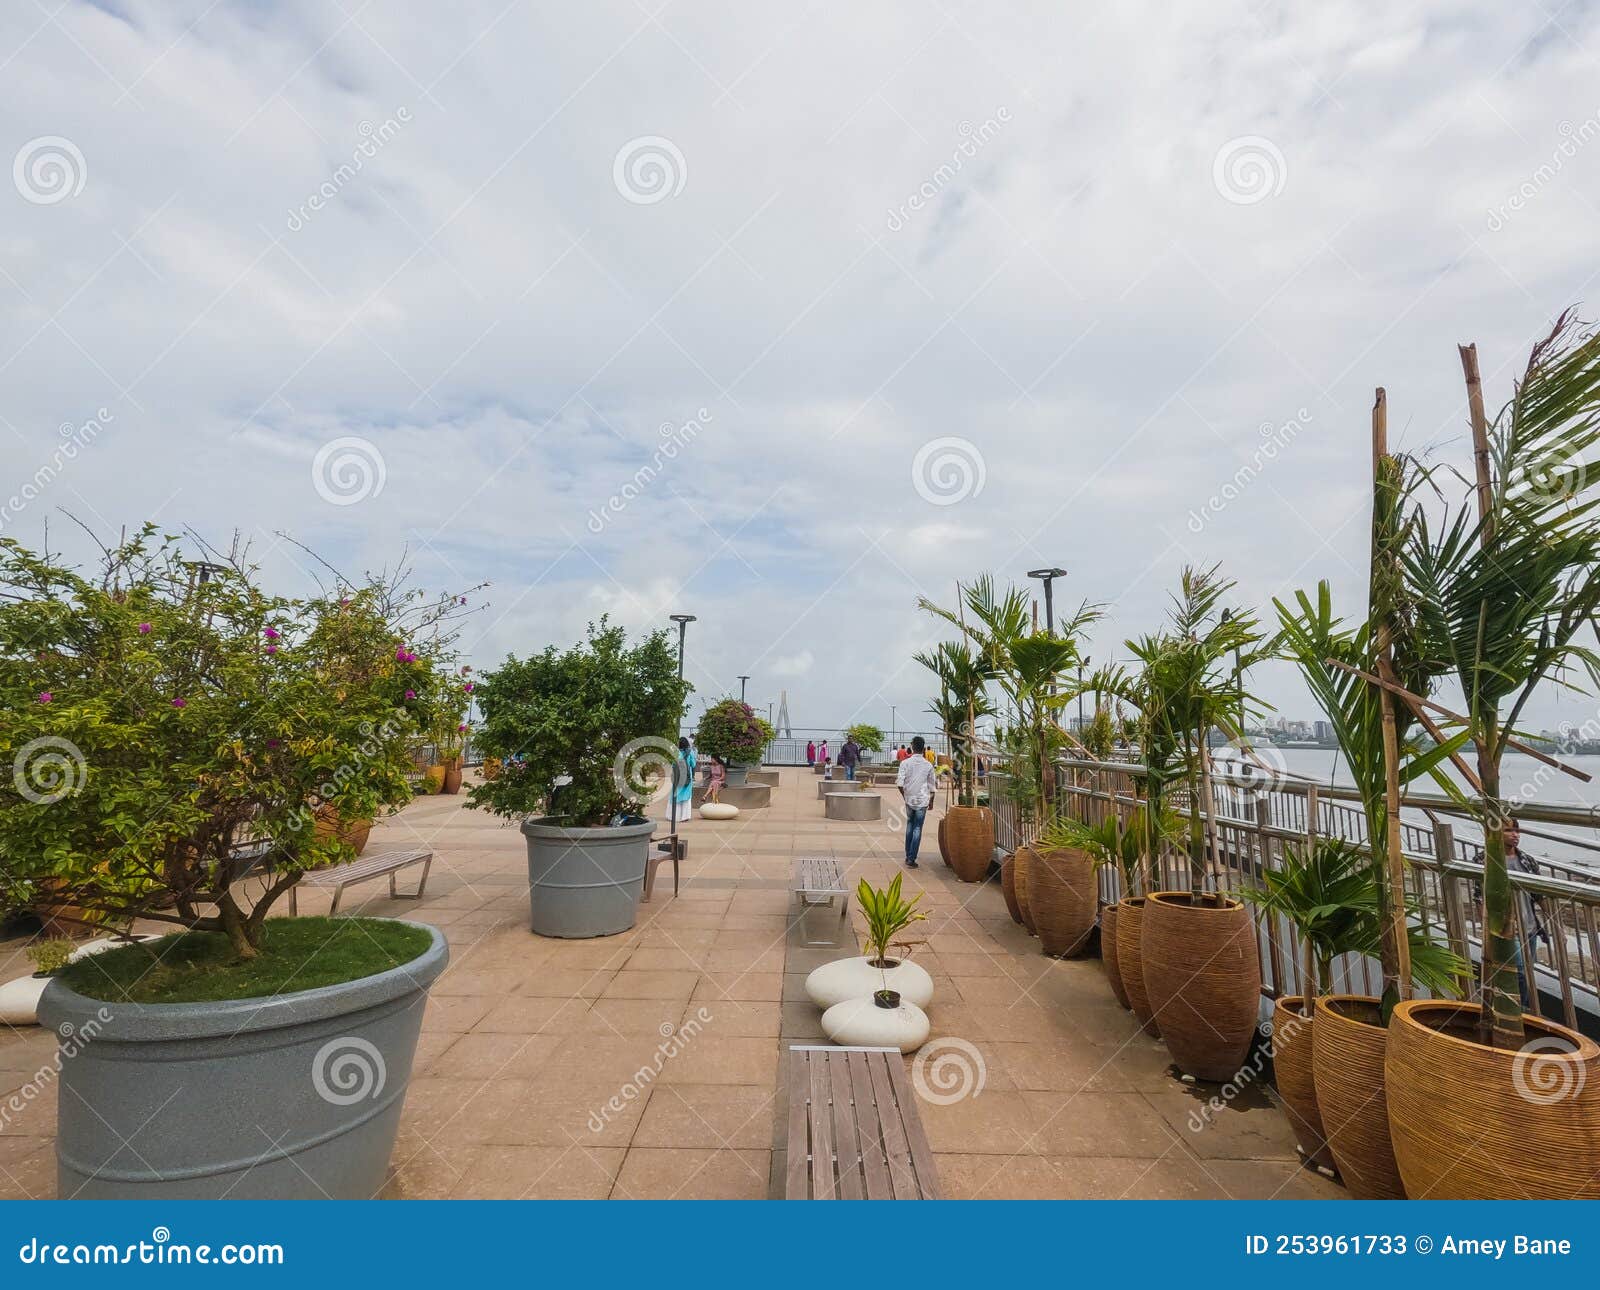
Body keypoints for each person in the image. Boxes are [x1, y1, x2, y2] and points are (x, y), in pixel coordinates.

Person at [1477, 819, 1550, 1008]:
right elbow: (1480, 896)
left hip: (1529, 926)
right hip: (1503, 928)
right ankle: (1519, 1010)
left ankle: (1519, 1008)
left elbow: (1539, 894)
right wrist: (1486, 927)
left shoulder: (1527, 860)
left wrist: (1553, 921)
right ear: (1495, 833)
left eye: (1517, 831)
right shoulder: (1485, 859)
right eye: (1509, 830)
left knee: (1525, 971)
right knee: (1516, 970)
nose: (1515, 835)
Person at [896, 735, 937, 868]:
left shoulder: (905, 763)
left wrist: (905, 796)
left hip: (909, 799)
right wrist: (932, 802)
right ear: (923, 748)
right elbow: (932, 786)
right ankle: (911, 858)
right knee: (917, 827)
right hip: (923, 800)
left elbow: (900, 784)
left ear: (912, 747)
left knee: (909, 825)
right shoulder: (928, 765)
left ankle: (908, 855)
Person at [670, 736, 696, 830]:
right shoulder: (690, 753)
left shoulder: (676, 753)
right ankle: (684, 817)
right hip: (687, 778)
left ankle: (674, 816)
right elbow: (693, 764)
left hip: (678, 777)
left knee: (676, 796)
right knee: (686, 797)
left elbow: (673, 764)